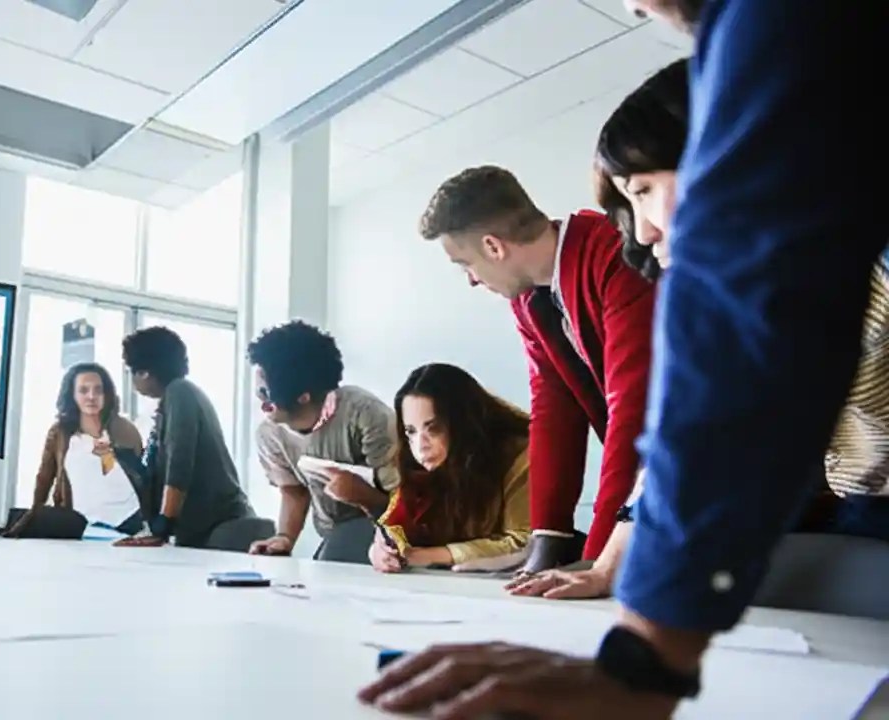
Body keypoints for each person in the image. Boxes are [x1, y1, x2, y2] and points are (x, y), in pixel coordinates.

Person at [359, 2, 883, 718]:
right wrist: (577, 551)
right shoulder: (534, 304)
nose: (634, 5)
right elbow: (580, 418)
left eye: (641, 192)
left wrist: (640, 637)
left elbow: (716, 373)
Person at [510, 56, 889, 603]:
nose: (642, 229)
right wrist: (607, 567)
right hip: (861, 512)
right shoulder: (737, 301)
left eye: (642, 190)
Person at [416, 164, 654, 573]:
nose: (471, 280)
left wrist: (598, 558)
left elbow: (633, 416)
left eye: (463, 263)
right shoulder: (528, 299)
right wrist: (546, 541)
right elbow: (553, 414)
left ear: (493, 247)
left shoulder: (613, 254)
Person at [245, 320, 399, 564]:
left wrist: (362, 495)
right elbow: (293, 491)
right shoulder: (269, 433)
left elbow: (407, 503)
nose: (259, 399)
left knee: (347, 539)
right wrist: (284, 537)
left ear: (303, 397)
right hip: (334, 535)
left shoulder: (366, 415)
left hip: (389, 531)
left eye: (266, 393)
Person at [111, 326, 271, 551]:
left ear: (144, 372)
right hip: (201, 532)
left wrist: (164, 524)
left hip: (223, 529)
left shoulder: (180, 392)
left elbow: (180, 461)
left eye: (131, 371)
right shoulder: (171, 402)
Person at [370, 363, 532, 573]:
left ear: (463, 423)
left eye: (433, 428)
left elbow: (525, 543)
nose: (420, 446)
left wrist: (429, 556)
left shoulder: (520, 454)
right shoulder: (416, 463)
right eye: (410, 431)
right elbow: (396, 524)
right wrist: (380, 549)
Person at [2, 363, 144, 537]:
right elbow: (45, 476)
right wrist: (33, 517)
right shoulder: (60, 432)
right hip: (81, 526)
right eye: (83, 390)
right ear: (72, 395)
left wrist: (108, 454)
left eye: (98, 390)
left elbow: (137, 476)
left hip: (126, 522)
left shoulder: (124, 429)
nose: (91, 396)